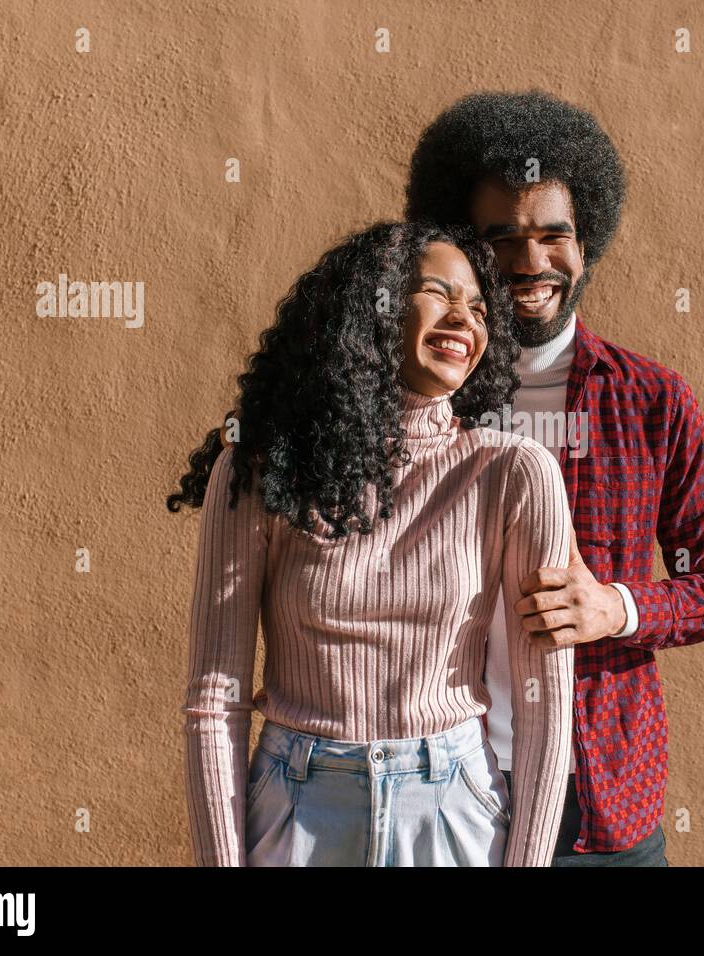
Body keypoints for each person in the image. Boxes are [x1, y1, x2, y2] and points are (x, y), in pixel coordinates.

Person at [406, 91, 704, 866]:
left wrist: (616, 607)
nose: (531, 263)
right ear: (463, 248)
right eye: (502, 238)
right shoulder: (426, 400)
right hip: (439, 782)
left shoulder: (652, 400)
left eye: (552, 235)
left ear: (586, 240)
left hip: (596, 792)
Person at [166, 220, 575, 866]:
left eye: (478, 306)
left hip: (451, 812)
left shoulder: (514, 473)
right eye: (439, 293)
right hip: (300, 810)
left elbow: (545, 702)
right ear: (372, 309)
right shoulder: (262, 471)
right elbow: (215, 698)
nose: (464, 318)